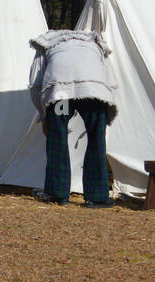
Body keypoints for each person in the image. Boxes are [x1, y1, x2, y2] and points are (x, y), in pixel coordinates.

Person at [28, 30, 119, 207]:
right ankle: (98, 197)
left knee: (58, 138)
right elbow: (111, 81)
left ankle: (57, 195)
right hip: (92, 93)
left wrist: (44, 115)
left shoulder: (48, 43)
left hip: (61, 94)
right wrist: (104, 116)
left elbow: (36, 84)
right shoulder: (95, 44)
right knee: (96, 139)